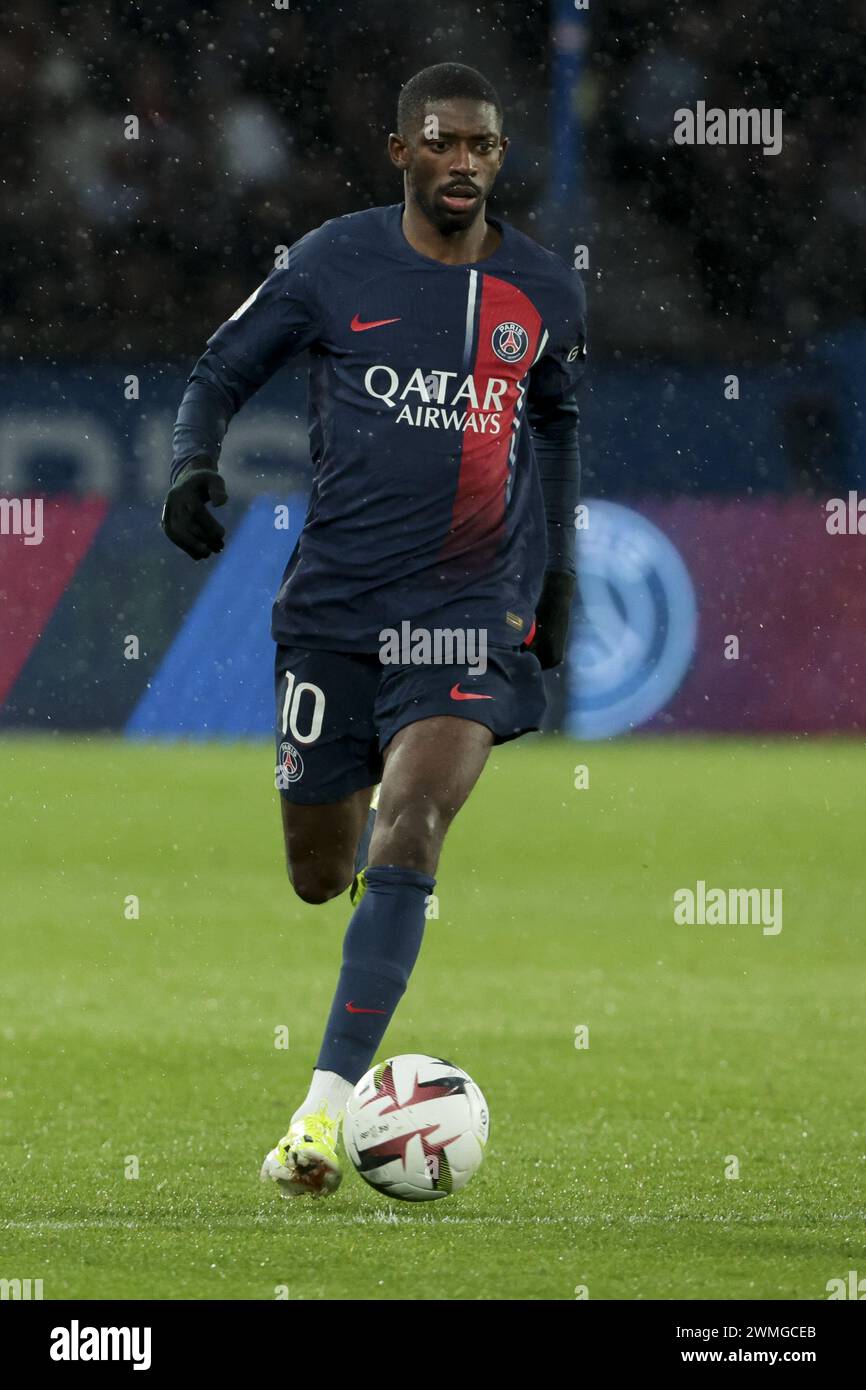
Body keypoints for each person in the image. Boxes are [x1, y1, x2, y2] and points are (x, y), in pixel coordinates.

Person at [161, 62, 586, 1198]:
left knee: (412, 825)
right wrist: (192, 465)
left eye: (482, 148)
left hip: (466, 616)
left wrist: (554, 580)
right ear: (399, 152)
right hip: (335, 614)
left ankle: (318, 1116)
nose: (462, 163)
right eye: (441, 143)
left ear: (499, 159)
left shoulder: (541, 289)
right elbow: (217, 368)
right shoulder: (329, 264)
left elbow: (556, 422)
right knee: (319, 871)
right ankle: (367, 916)